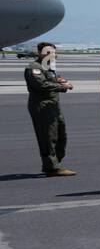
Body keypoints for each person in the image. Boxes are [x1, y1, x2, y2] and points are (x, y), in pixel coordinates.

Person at [26, 42, 75, 176]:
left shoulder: (48, 68)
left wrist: (61, 81)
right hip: (42, 106)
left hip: (53, 105)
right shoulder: (34, 68)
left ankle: (55, 164)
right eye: (48, 52)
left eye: (53, 52)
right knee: (48, 136)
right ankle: (52, 167)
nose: (52, 55)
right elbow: (41, 85)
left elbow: (51, 81)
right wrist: (62, 87)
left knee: (61, 134)